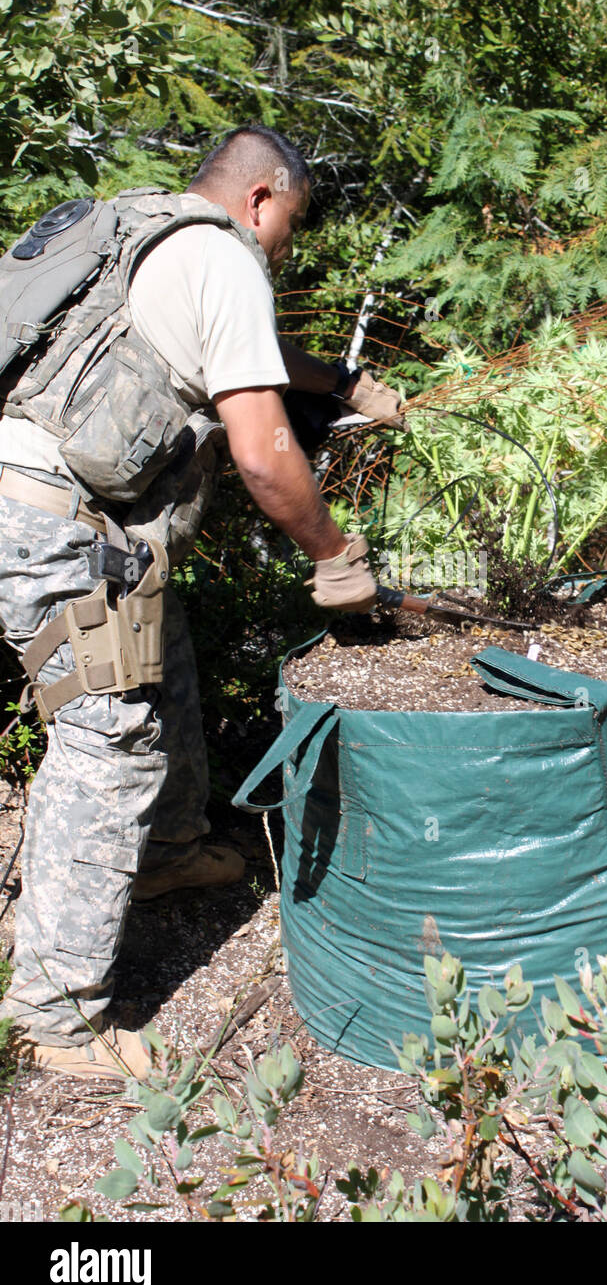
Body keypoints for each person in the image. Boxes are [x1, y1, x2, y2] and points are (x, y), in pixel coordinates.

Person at [0, 125, 403, 1079]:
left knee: (153, 633)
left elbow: (251, 356)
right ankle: (54, 1017)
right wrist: (336, 558)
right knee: (111, 741)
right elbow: (263, 452)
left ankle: (171, 848)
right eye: (287, 228)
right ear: (260, 199)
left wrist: (343, 382)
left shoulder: (136, 226)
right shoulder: (224, 258)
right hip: (50, 525)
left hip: (35, 506)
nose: (282, 248)